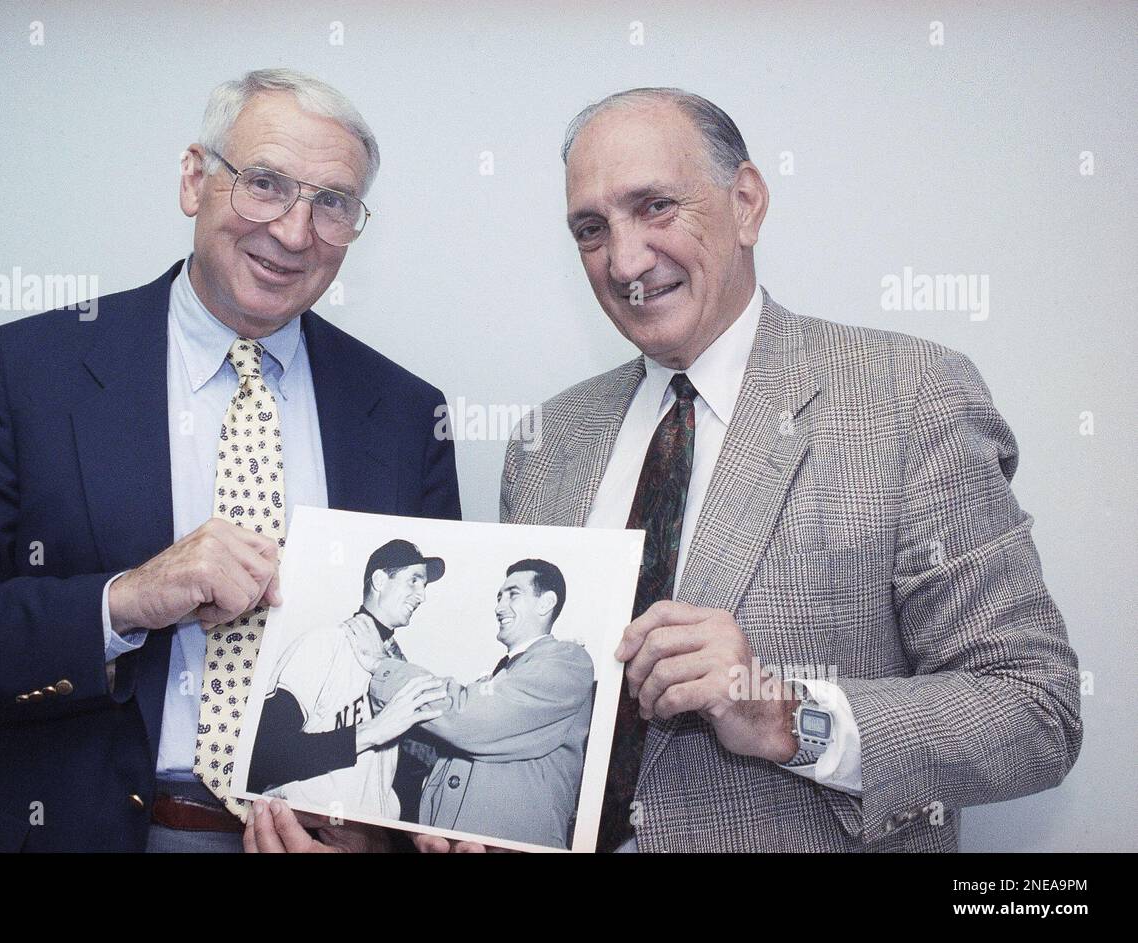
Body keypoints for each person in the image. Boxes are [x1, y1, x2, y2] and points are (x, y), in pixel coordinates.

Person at [427, 87, 1082, 853]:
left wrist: (785, 715)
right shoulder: (548, 440)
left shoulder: (908, 398)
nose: (625, 259)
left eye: (657, 207)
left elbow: (1036, 710)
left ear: (746, 204)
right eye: (591, 228)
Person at [0, 68, 460, 853]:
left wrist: (383, 836)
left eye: (333, 203)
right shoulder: (29, 372)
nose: (293, 230)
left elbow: (429, 677)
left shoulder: (407, 413)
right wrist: (123, 601)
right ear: (194, 179)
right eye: (266, 184)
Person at [367, 559, 595, 849]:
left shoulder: (568, 661)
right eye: (499, 597)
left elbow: (467, 717)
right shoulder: (499, 678)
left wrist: (382, 667)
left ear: (546, 602)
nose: (499, 607)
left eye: (513, 594)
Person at [244, 540, 449, 819]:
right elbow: (263, 753)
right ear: (379, 580)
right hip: (299, 829)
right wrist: (372, 731)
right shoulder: (324, 644)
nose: (421, 595)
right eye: (414, 580)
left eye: (423, 585)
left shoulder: (392, 668)